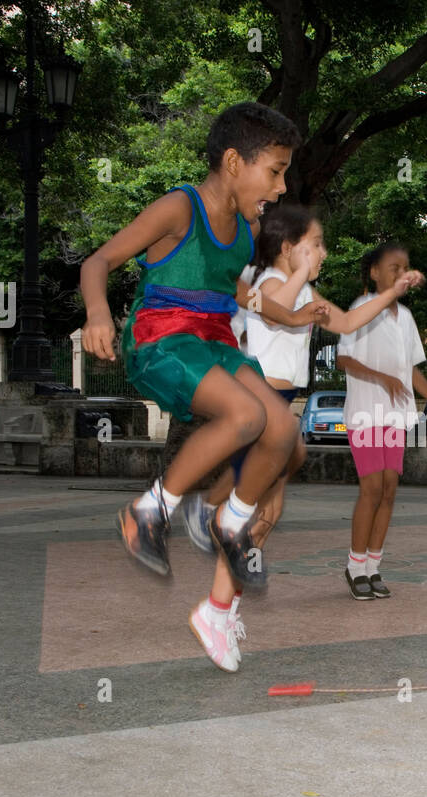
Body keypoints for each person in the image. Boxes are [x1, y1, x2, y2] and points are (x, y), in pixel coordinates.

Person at [79, 102, 339, 672]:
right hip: (161, 342)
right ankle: (148, 511)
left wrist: (294, 318)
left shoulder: (245, 234)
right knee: (247, 418)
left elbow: (245, 296)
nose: (282, 184)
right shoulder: (180, 207)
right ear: (232, 161)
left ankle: (229, 521)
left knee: (287, 437)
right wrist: (98, 313)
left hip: (214, 342)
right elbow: (99, 261)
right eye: (274, 170)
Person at [181, 206, 424, 633]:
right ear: (289, 248)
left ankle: (223, 595)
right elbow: (276, 304)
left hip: (282, 399)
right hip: (262, 399)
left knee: (266, 513)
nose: (324, 253)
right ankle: (213, 559)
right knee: (260, 510)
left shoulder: (303, 292)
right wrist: (301, 272)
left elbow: (347, 320)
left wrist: (392, 292)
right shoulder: (271, 283)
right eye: (316, 244)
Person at [336, 242, 427, 599]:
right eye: (393, 268)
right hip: (366, 415)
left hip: (395, 418)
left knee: (389, 490)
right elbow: (344, 360)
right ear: (374, 273)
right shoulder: (361, 308)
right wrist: (380, 377)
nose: (400, 273)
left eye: (405, 268)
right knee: (370, 489)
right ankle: (354, 567)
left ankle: (373, 566)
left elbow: (410, 369)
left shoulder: (407, 319)